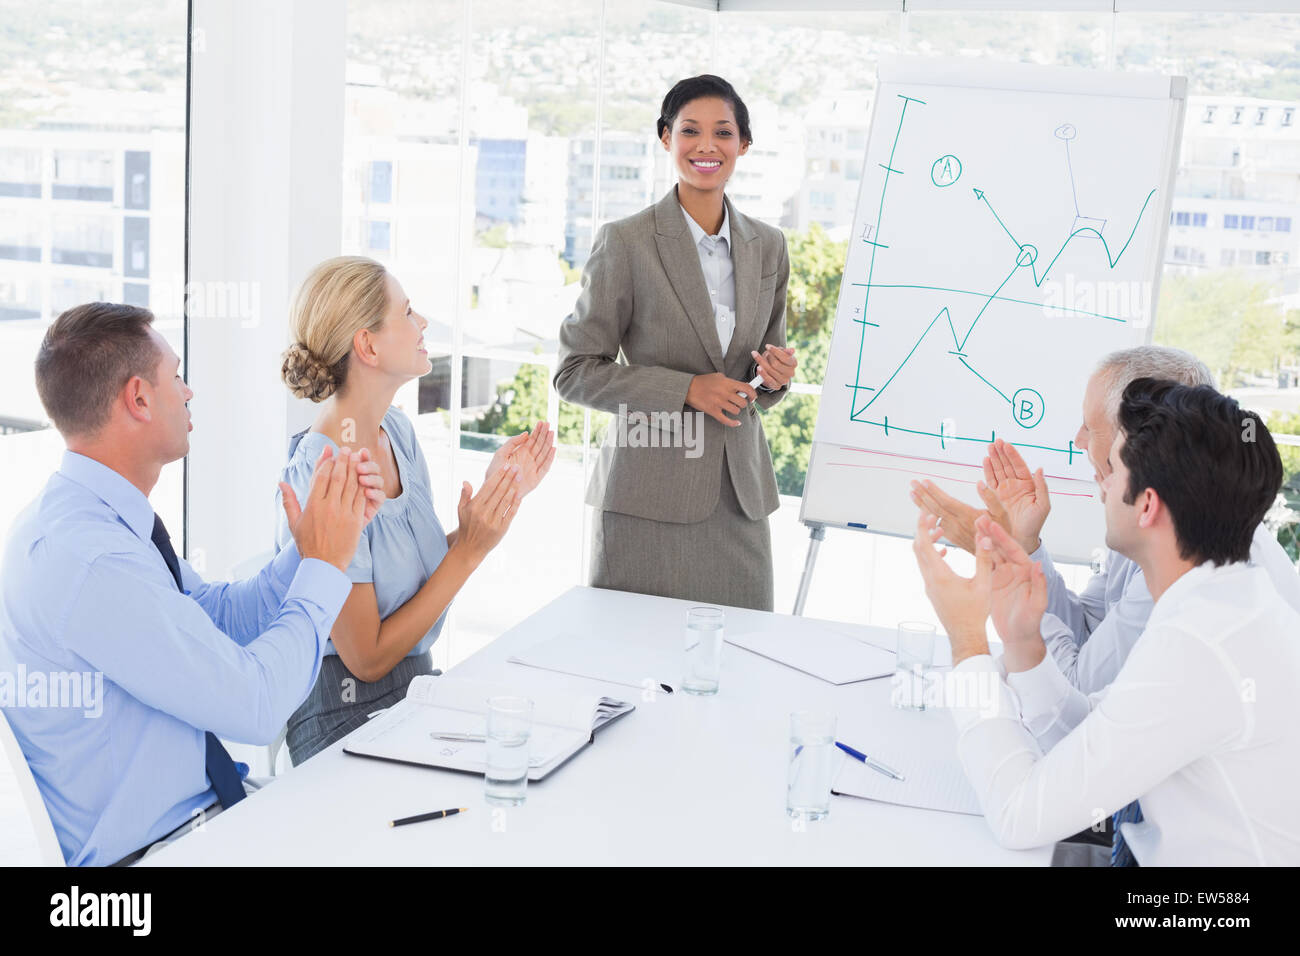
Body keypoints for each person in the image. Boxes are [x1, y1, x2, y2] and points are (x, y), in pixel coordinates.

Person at [0, 302, 381, 866]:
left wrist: (310, 550)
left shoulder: (89, 518)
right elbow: (256, 706)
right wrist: (325, 570)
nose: (188, 392)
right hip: (164, 852)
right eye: (176, 375)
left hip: (202, 822)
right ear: (138, 398)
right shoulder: (95, 561)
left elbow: (209, 614)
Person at [913, 379, 1300, 865]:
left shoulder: (1200, 643)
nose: (1100, 481)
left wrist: (967, 641)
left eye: (1111, 470)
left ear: (1147, 505)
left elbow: (1018, 816)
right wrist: (1024, 642)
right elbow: (1093, 736)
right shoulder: (1226, 602)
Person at [277, 256, 554, 763]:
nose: (422, 323)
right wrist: (469, 551)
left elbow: (421, 572)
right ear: (368, 345)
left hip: (417, 691)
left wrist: (495, 502)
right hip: (343, 717)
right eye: (408, 313)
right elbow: (366, 657)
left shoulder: (396, 433)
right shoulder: (325, 470)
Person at [910, 345, 1300, 692]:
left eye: (1091, 427)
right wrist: (1023, 546)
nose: (1078, 440)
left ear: (1141, 436)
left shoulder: (1187, 549)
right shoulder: (1150, 515)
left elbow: (1079, 690)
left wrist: (1001, 568)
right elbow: (1086, 636)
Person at [554, 74, 797, 612]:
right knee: (631, 665)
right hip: (646, 498)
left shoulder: (770, 247)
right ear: (666, 138)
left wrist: (775, 377)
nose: (706, 146)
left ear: (744, 145)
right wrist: (687, 389)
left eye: (723, 133)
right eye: (690, 131)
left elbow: (764, 375)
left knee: (739, 664)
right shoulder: (626, 242)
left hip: (740, 502)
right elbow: (574, 371)